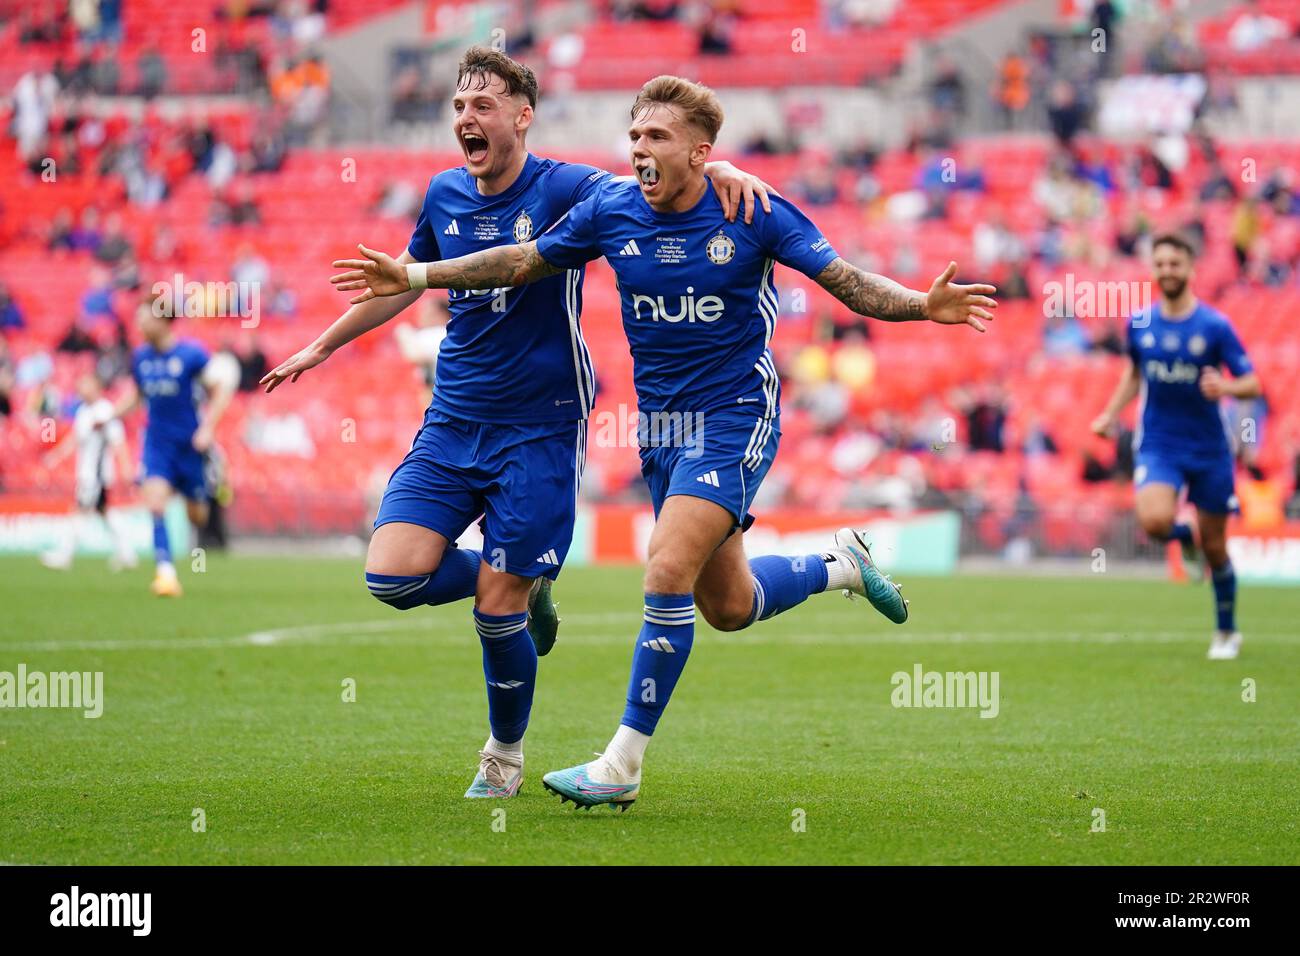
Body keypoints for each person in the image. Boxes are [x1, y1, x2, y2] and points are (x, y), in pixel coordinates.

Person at [333, 74, 997, 809]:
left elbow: (846, 282)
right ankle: (840, 564)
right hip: (661, 429)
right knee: (729, 605)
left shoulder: (751, 210)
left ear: (700, 153)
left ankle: (620, 766)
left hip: (735, 416)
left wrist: (919, 305)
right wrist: (420, 273)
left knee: (665, 570)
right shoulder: (611, 209)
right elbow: (521, 261)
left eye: (657, 138)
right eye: (635, 136)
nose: (640, 150)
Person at [261, 47, 772, 800]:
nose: (467, 117)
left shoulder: (568, 186)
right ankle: (526, 581)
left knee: (494, 609)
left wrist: (718, 172)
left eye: (484, 105)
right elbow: (403, 283)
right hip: (454, 417)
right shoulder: (441, 194)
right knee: (391, 577)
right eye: (460, 105)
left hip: (542, 421)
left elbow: (656, 185)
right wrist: (322, 343)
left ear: (521, 116)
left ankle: (503, 755)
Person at [1091, 233, 1262, 660]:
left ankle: (1226, 631)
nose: (1167, 271)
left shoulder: (1215, 327)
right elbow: (1134, 374)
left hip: (1209, 448)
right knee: (1152, 520)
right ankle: (1183, 537)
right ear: (1153, 269)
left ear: (1191, 269)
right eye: (1161, 263)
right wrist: (1111, 414)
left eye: (1175, 264)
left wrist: (1225, 385)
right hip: (1160, 443)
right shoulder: (1140, 324)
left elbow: (1253, 382)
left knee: (1217, 546)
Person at [106, 297, 237, 596]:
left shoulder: (191, 355)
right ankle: (165, 573)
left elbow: (220, 390)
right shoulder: (140, 357)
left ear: (162, 319)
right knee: (155, 503)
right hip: (157, 443)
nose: (138, 324)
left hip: (190, 445)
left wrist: (207, 428)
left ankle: (208, 484)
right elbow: (137, 396)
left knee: (197, 516)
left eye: (144, 317)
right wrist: (111, 414)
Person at [40, 372, 137, 572]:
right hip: (87, 473)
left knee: (79, 511)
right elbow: (76, 439)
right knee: (104, 512)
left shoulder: (106, 411)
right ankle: (127, 553)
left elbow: (118, 442)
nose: (80, 389)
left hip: (96, 475)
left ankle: (64, 555)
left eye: (85, 385)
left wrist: (126, 468)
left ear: (96, 387)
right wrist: (55, 456)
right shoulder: (83, 411)